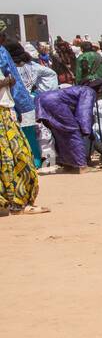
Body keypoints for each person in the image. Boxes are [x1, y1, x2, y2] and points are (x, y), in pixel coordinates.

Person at [0, 44, 44, 215]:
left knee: (20, 157)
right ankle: (15, 204)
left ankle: (18, 203)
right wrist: (7, 81)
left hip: (6, 111)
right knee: (14, 159)